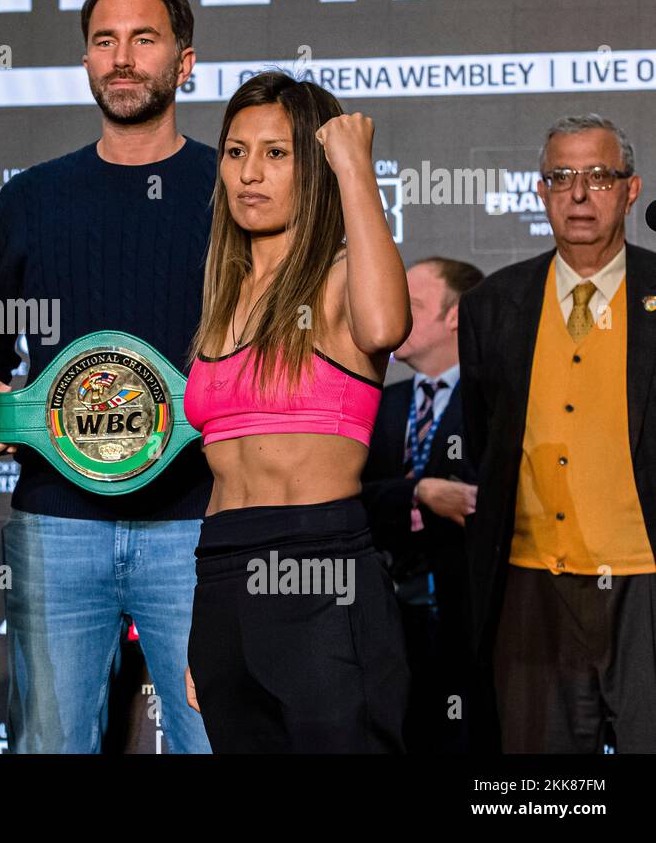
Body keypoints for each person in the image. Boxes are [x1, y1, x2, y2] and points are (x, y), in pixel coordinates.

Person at [0, 0, 214, 754]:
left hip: (201, 520)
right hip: (57, 523)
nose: (123, 57)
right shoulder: (30, 199)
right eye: (105, 41)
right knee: (51, 744)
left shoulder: (230, 191)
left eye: (145, 38)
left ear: (185, 60)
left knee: (212, 736)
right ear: (87, 60)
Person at [182, 70, 411, 752]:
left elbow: (386, 325)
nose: (251, 172)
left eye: (277, 153)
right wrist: (214, 623)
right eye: (235, 151)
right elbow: (224, 468)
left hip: (318, 566)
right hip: (222, 571)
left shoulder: (340, 277)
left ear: (312, 165)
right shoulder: (223, 293)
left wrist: (353, 166)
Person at [460, 113, 656, 753]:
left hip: (644, 580)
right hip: (530, 584)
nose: (579, 194)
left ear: (631, 190)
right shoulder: (495, 303)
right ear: (540, 191)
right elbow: (482, 441)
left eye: (599, 176)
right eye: (561, 176)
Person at [362, 257, 481, 753]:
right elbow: (348, 494)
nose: (395, 315)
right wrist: (418, 493)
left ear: (455, 316)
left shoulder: (496, 398)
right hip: (387, 628)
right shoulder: (379, 404)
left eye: (411, 305)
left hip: (471, 627)